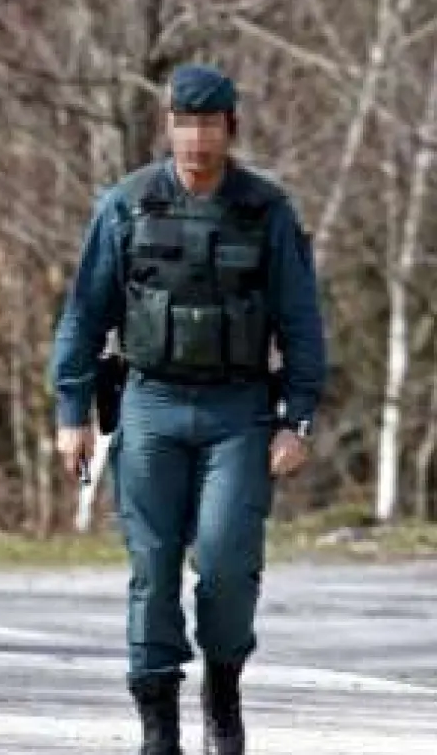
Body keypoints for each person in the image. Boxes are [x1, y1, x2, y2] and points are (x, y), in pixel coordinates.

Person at [49, 63, 327, 755]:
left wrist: (298, 418)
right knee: (152, 565)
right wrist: (72, 410)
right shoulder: (127, 205)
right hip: (151, 405)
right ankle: (158, 724)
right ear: (168, 126)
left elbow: (300, 322)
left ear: (230, 129)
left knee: (230, 561)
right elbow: (84, 314)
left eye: (209, 125)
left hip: (239, 412)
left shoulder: (267, 211)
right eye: (184, 123)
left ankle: (223, 691)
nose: (196, 139)